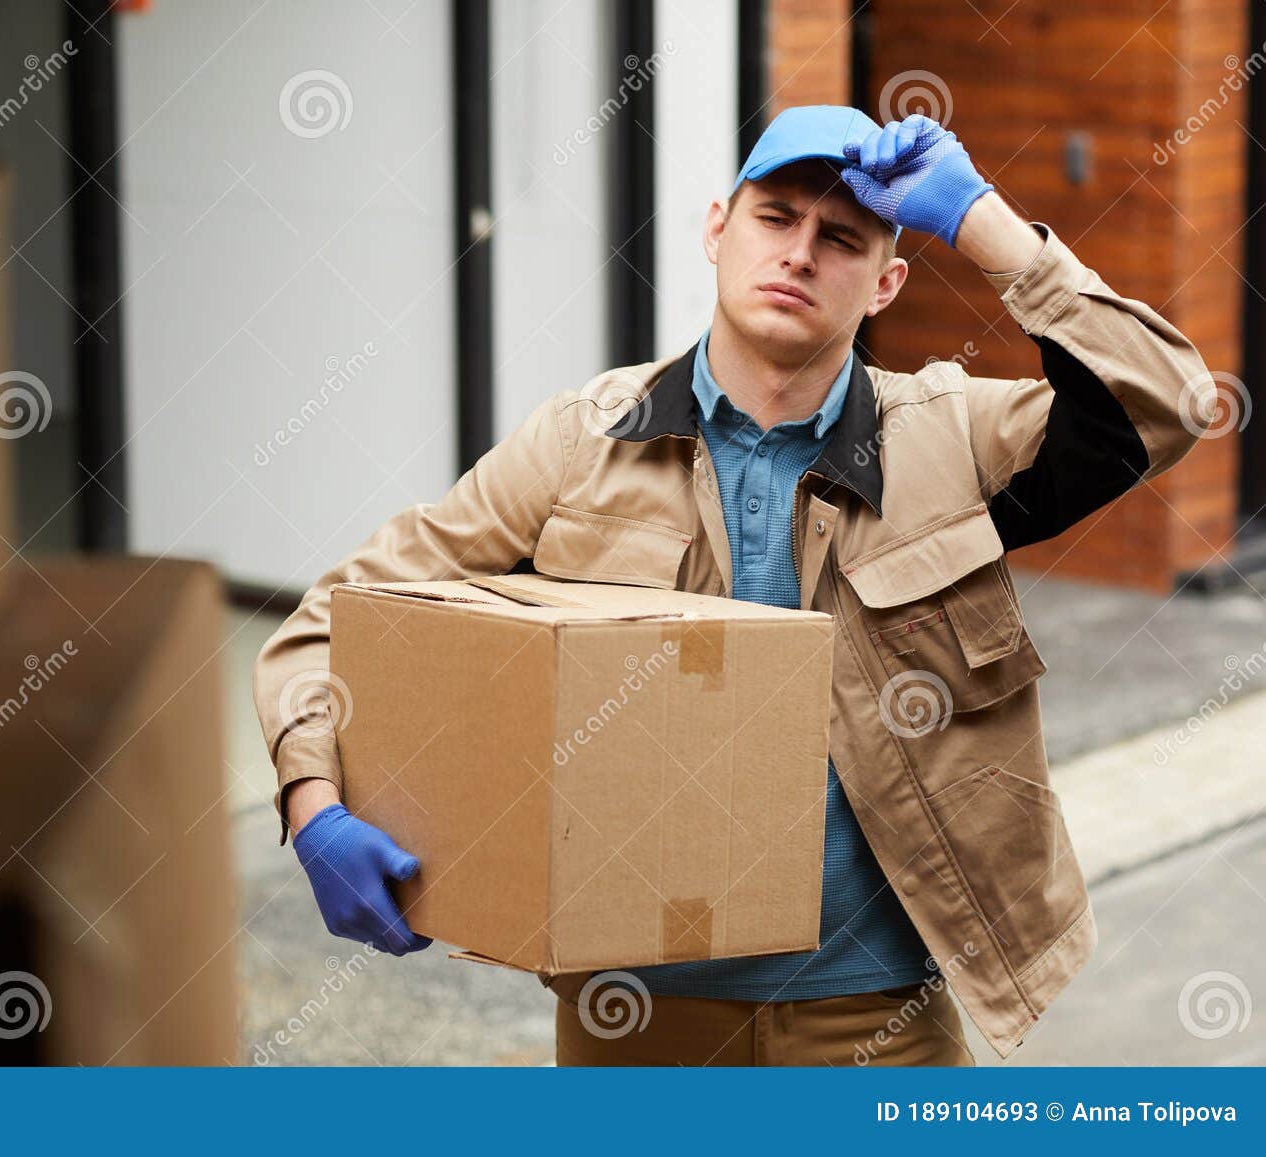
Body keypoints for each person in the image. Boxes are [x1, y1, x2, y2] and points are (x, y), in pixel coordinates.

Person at [252, 105, 1216, 1066]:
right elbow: (339, 617)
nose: (799, 253)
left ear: (886, 284)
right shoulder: (583, 441)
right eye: (775, 217)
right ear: (718, 230)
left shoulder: (950, 438)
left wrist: (982, 222)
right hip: (635, 1014)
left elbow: (1170, 403)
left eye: (841, 238)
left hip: (876, 1015)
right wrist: (314, 806)